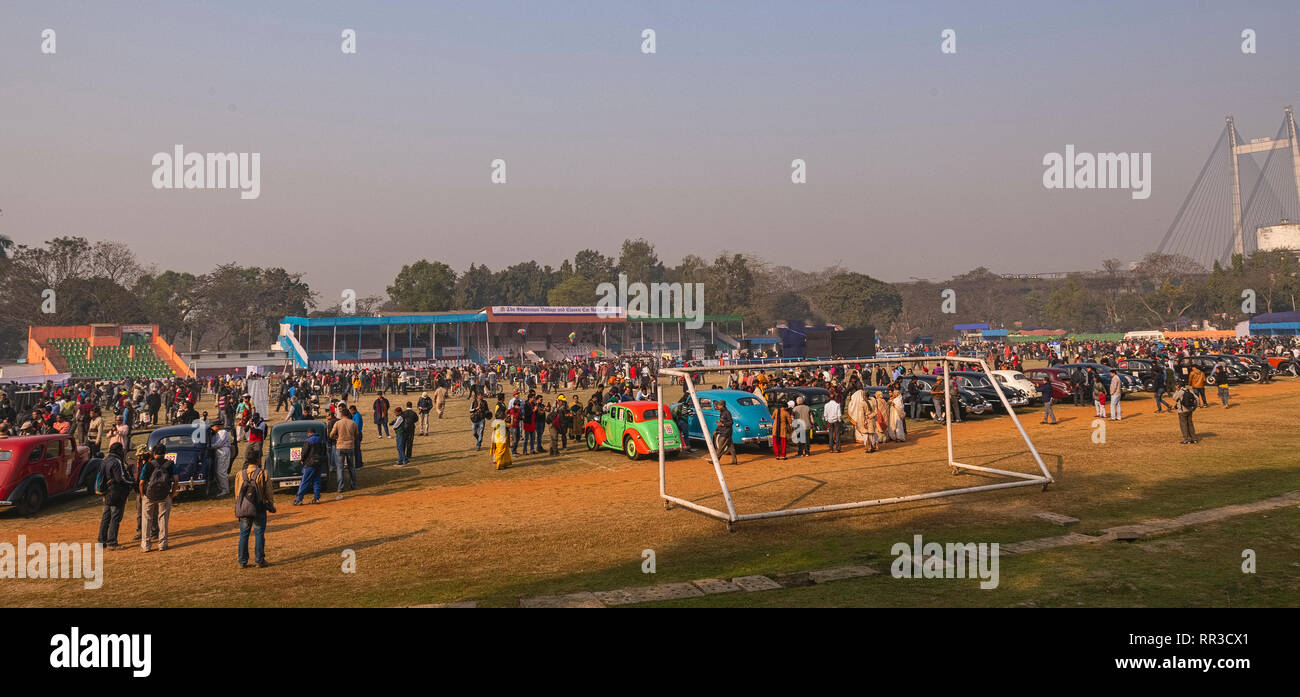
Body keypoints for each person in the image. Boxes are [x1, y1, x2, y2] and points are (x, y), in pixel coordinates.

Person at [234, 450, 276, 568]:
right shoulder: (263, 473)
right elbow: (268, 492)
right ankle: (259, 560)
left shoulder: (239, 474)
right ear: (258, 460)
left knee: (244, 534)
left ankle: (242, 561)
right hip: (259, 508)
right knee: (259, 533)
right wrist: (271, 504)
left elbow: (237, 494)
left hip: (244, 509)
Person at [139, 441, 178, 552]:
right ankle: (162, 544)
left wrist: (143, 495)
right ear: (165, 453)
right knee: (163, 519)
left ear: (154, 452)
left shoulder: (149, 464)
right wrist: (172, 494)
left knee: (147, 519)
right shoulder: (170, 464)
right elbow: (176, 480)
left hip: (149, 495)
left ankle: (146, 545)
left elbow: (141, 482)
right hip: (165, 495)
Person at [96, 443, 131, 549]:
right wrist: (132, 482)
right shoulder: (117, 461)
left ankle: (101, 542)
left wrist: (103, 492)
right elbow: (121, 479)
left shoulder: (105, 461)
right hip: (116, 492)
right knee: (115, 517)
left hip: (107, 493)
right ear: (119, 450)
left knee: (106, 517)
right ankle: (112, 542)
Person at [330, 409, 359, 499]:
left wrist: (336, 438)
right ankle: (353, 485)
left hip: (340, 446)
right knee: (351, 467)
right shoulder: (353, 423)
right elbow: (357, 434)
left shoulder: (338, 423)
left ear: (342, 415)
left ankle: (340, 487)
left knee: (340, 468)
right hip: (350, 446)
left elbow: (331, 435)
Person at [293, 430, 325, 505]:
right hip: (319, 463)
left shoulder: (308, 440)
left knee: (305, 481)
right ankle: (316, 499)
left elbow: (304, 452)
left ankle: (299, 499)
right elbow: (324, 451)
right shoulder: (321, 440)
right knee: (317, 480)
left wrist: (302, 459)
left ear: (310, 433)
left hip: (310, 463)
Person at [210, 421, 233, 497]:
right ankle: (221, 488)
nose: (212, 428)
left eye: (213, 426)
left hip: (223, 451)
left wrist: (209, 446)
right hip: (218, 452)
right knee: (217, 471)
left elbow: (218, 443)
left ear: (218, 426)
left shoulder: (223, 432)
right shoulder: (215, 434)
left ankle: (225, 489)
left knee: (221, 471)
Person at [1172, 380, 1199, 444]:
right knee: (1190, 424)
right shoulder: (1189, 390)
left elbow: (1174, 398)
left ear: (1179, 385)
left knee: (1183, 425)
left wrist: (1177, 390)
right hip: (1189, 410)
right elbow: (1197, 398)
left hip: (1182, 411)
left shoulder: (1180, 391)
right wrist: (1194, 407)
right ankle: (1194, 439)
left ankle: (1187, 439)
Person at [712, 400, 738, 465]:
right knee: (731, 447)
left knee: (720, 447)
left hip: (726, 432)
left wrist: (723, 424)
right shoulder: (721, 412)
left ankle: (715, 461)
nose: (717, 406)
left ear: (722, 405)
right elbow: (720, 423)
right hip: (724, 431)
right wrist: (716, 430)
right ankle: (734, 461)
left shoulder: (727, 413)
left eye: (719, 405)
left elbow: (731, 422)